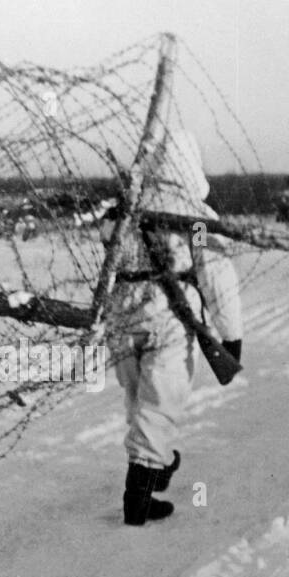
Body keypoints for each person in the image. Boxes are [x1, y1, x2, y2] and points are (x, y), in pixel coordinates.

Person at [102, 128, 243, 526]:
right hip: (167, 317)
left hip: (121, 319)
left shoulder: (127, 209)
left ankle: (158, 468)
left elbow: (107, 245)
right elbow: (215, 275)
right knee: (159, 406)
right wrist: (231, 336)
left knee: (138, 401)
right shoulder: (193, 218)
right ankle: (138, 504)